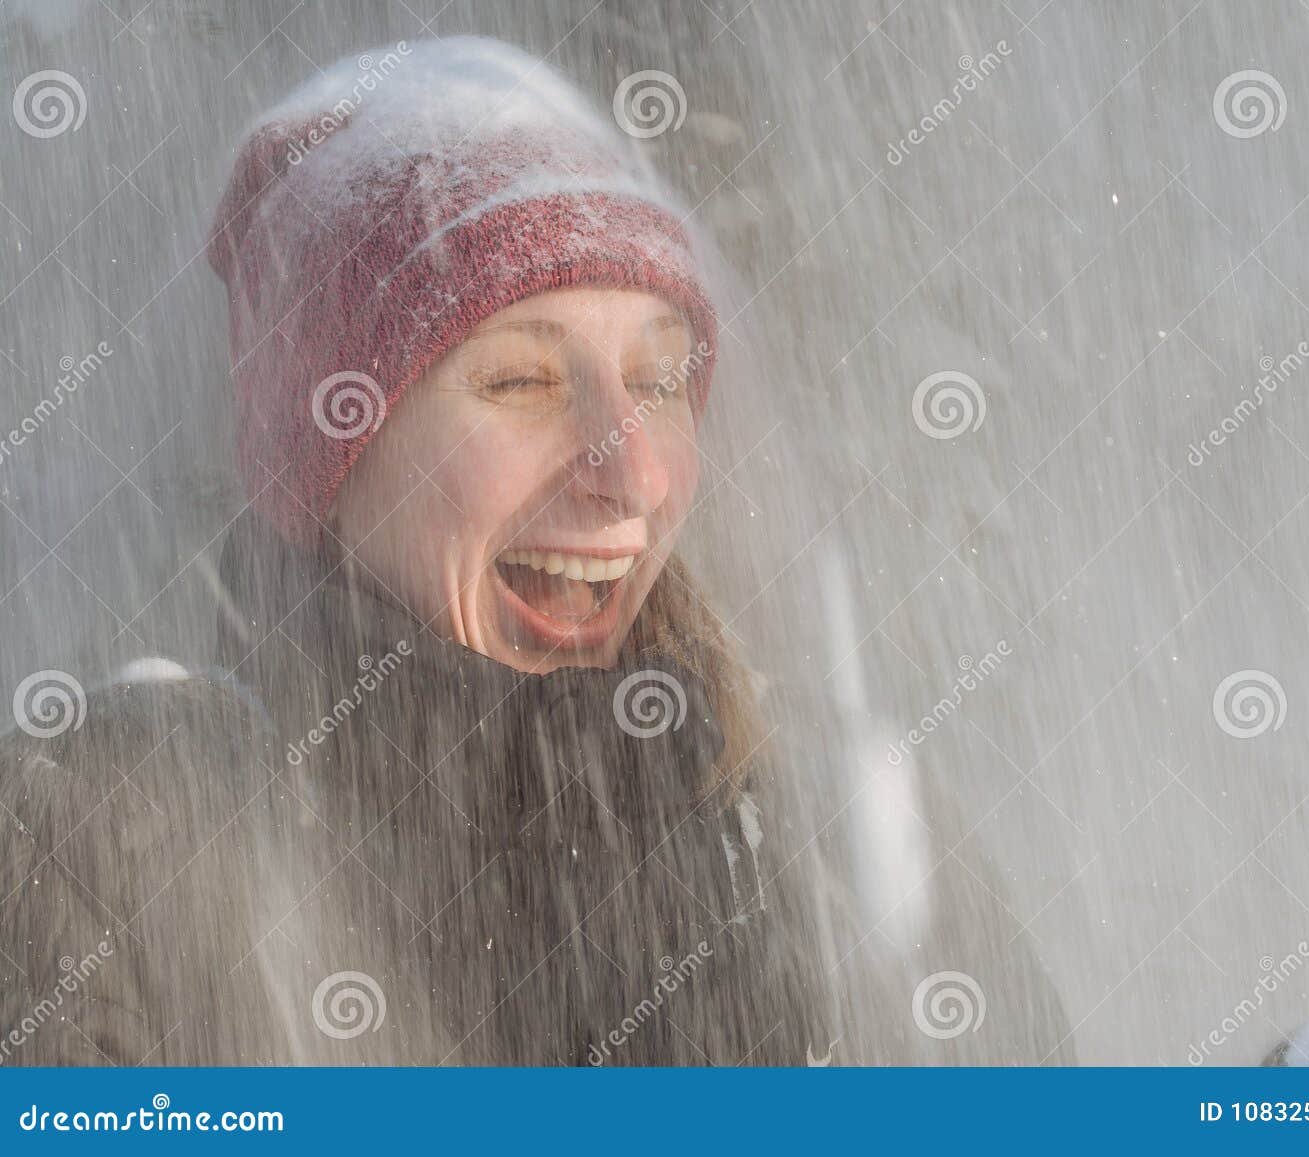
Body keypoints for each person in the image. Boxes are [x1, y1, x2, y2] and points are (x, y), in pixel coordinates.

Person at [0, 35, 1069, 1065]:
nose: (633, 472)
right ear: (330, 443)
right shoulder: (98, 840)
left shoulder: (834, 821)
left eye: (659, 380)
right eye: (520, 382)